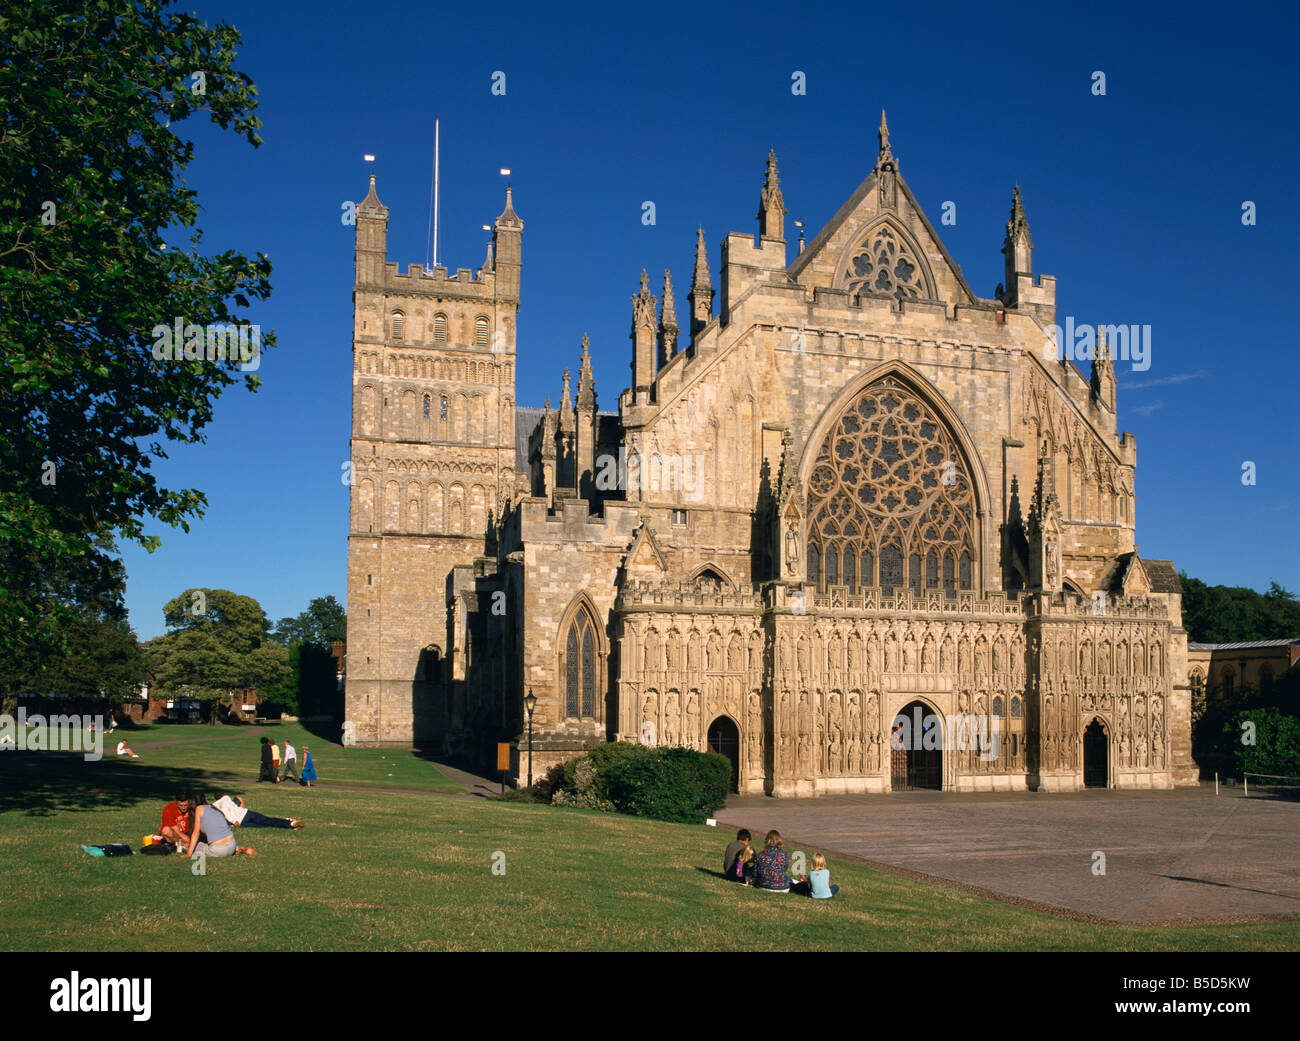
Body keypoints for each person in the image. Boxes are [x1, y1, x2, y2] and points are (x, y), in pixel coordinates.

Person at [185, 796, 256, 859]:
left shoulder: (199, 808)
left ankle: (235, 849)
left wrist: (189, 853)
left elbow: (195, 833)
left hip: (218, 850)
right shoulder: (214, 807)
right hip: (232, 844)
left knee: (193, 846)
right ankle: (238, 849)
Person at [211, 792, 304, 830]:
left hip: (241, 821)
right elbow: (235, 804)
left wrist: (234, 822)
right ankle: (289, 822)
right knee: (267, 821)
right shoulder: (227, 798)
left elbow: (227, 813)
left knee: (263, 825)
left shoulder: (217, 805)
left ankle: (289, 823)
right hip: (247, 813)